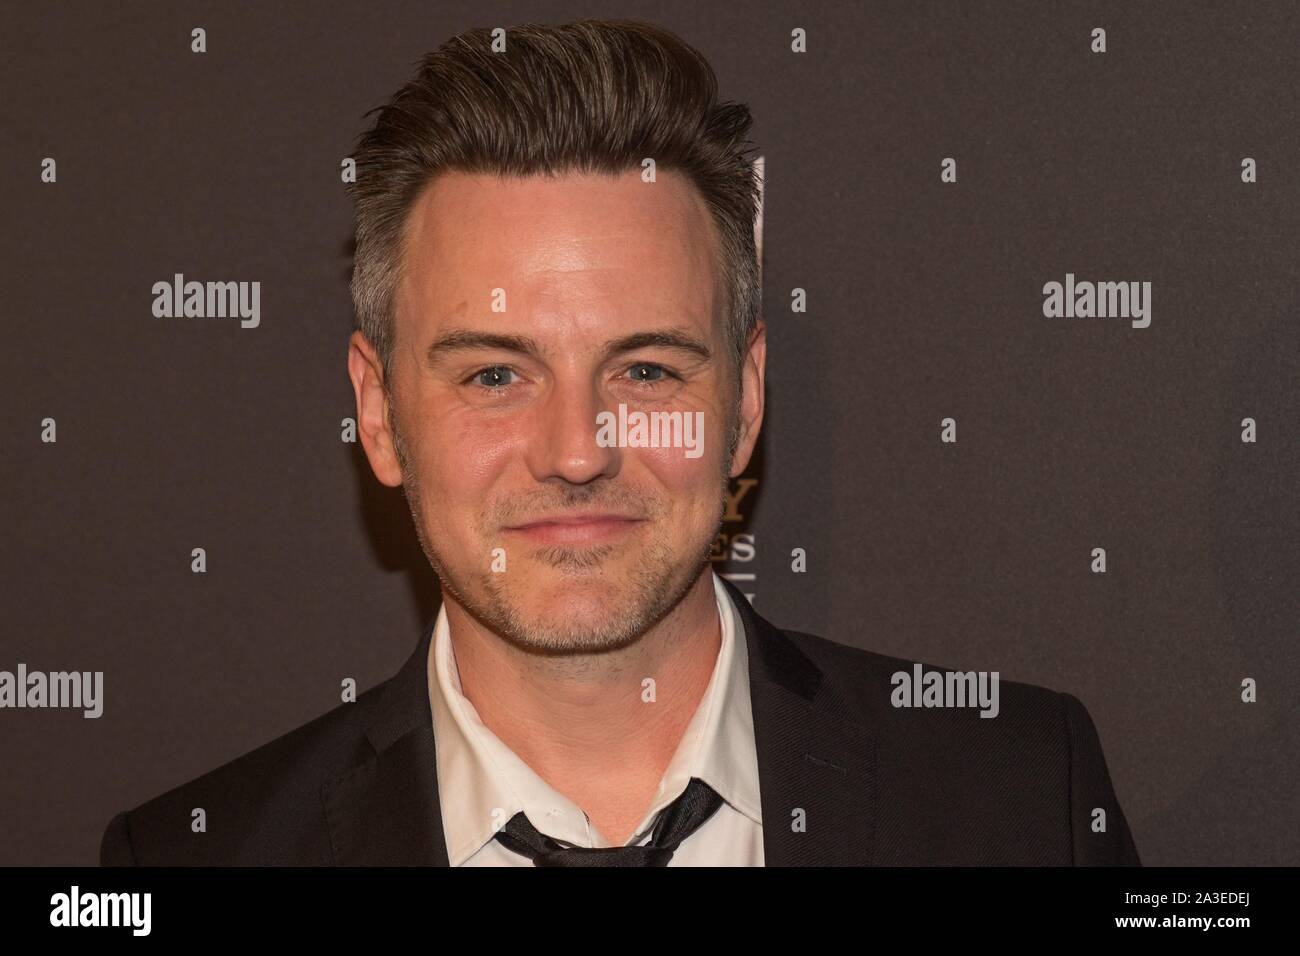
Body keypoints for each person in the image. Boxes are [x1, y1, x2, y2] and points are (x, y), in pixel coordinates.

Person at [100, 18, 1139, 866]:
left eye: (645, 368)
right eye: (494, 374)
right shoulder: (195, 858)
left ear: (743, 401)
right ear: (378, 414)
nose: (577, 449)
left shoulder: (1016, 803)